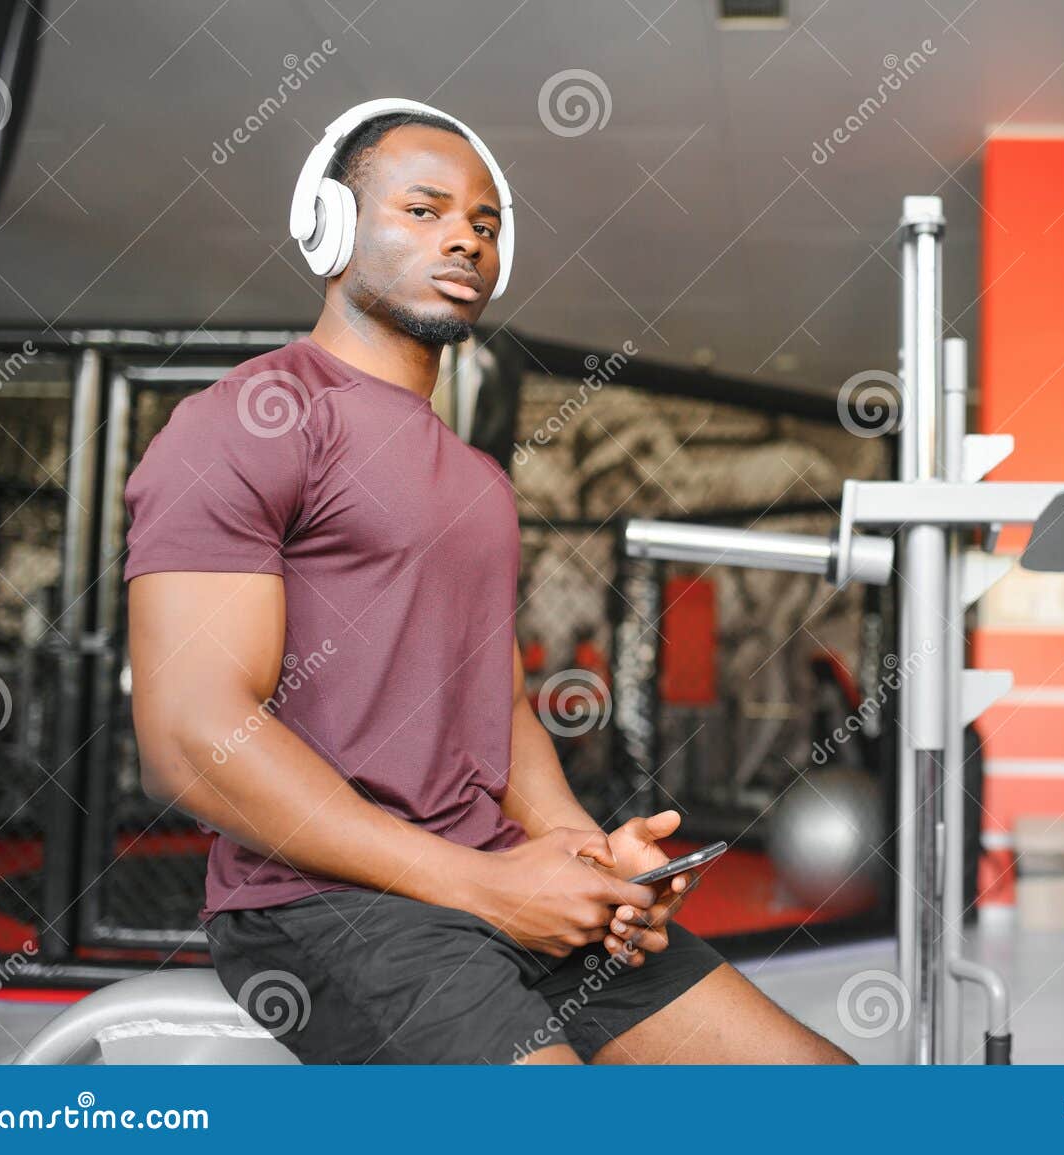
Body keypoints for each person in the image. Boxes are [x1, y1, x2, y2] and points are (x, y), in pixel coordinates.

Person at [123, 98, 855, 1065]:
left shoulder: (474, 479)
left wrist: (589, 862)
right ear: (329, 229)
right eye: (423, 211)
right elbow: (191, 732)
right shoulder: (253, 420)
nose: (464, 238)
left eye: (484, 222)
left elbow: (497, 702)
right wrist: (482, 886)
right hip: (324, 907)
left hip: (490, 881)